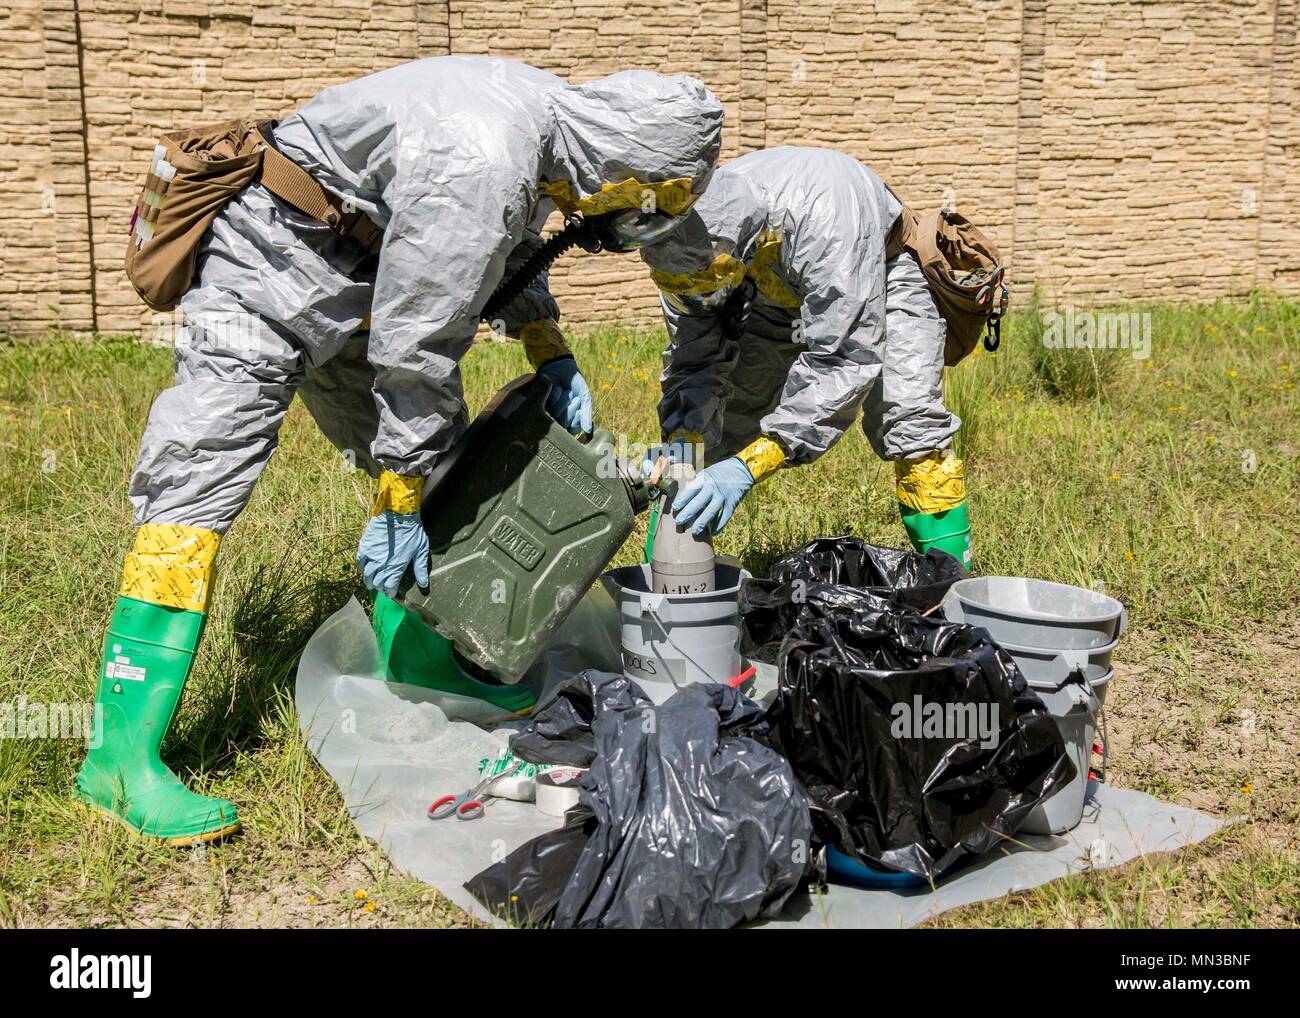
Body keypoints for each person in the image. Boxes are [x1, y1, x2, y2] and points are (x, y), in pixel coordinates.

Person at [78, 56, 724, 845]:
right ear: (628, 167)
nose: (631, 224)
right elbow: (417, 350)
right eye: (645, 203)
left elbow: (507, 247)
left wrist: (547, 347)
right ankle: (119, 756)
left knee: (446, 464)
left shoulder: (542, 129)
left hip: (356, 278)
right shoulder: (488, 152)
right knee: (198, 481)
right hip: (264, 271)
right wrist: (398, 501)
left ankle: (417, 654)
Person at [639, 145, 973, 565]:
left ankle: (950, 585)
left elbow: (846, 360)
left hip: (878, 271)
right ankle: (669, 569)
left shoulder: (824, 221)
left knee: (909, 417)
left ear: (736, 248)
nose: (701, 298)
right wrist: (682, 452)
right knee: (725, 427)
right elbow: (695, 360)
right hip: (766, 287)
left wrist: (750, 466)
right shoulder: (680, 249)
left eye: (709, 286)